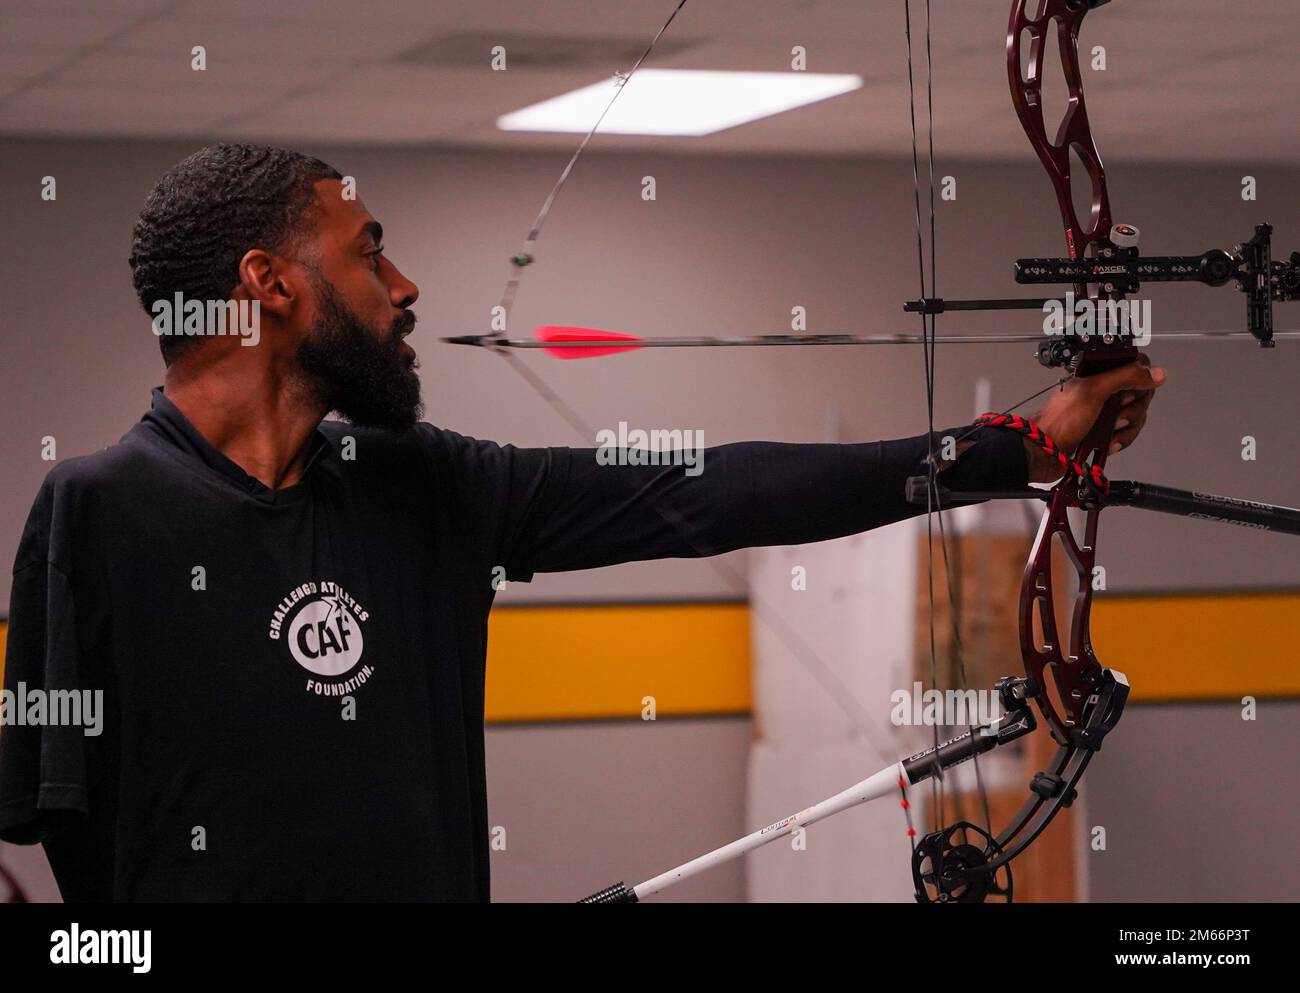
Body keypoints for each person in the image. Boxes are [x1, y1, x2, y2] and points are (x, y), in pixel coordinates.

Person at [0, 144, 1162, 901]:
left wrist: (1021, 445)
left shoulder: (418, 482)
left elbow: (708, 490)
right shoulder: (98, 510)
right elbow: (63, 854)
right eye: (368, 252)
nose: (403, 287)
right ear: (266, 283)